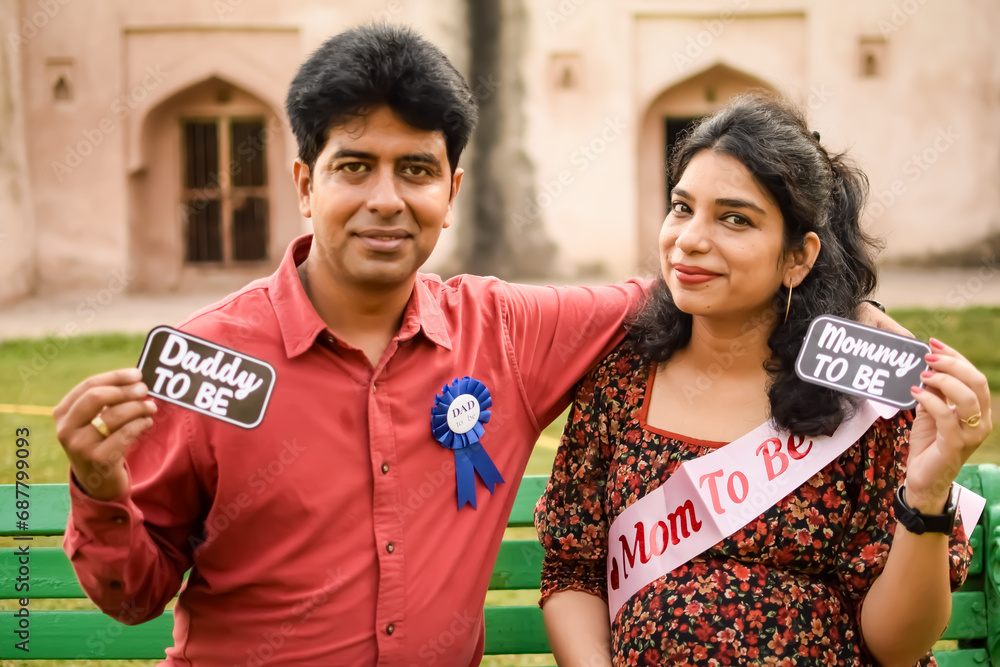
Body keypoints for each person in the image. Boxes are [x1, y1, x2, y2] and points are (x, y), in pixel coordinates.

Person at [52, 26, 900, 666]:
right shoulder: (213, 362)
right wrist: (98, 487)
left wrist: (869, 325)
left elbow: (709, 278)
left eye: (416, 170)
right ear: (305, 181)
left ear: (451, 189)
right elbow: (136, 594)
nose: (387, 199)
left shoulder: (510, 332)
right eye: (355, 167)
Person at [534, 94, 992, 667]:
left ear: (798, 258)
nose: (691, 239)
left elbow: (897, 647)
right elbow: (575, 571)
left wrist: (926, 495)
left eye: (735, 219)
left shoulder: (862, 400)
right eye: (681, 207)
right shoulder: (623, 377)